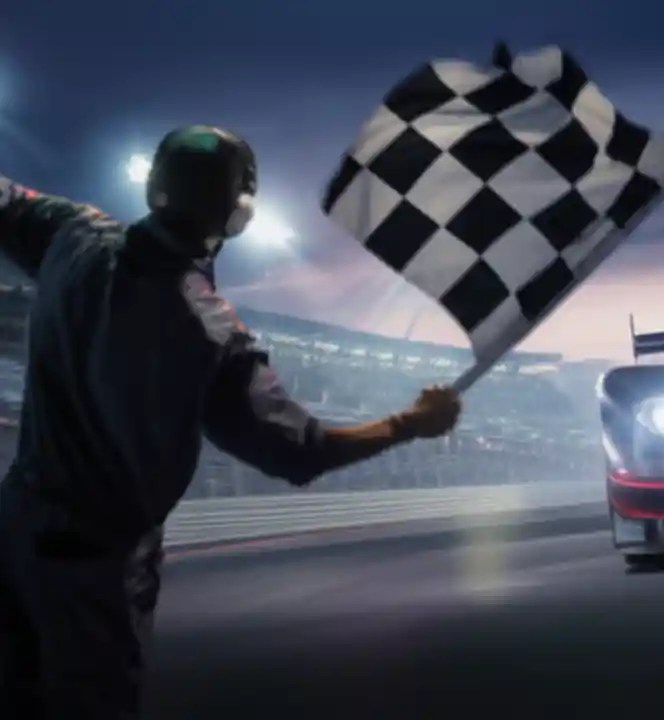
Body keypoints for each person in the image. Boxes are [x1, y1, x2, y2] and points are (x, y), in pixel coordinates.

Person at [0, 125, 462, 718]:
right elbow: (300, 451)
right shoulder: (208, 327)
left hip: (14, 533)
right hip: (98, 567)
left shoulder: (73, 234)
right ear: (240, 211)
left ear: (152, 184)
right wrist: (409, 422)